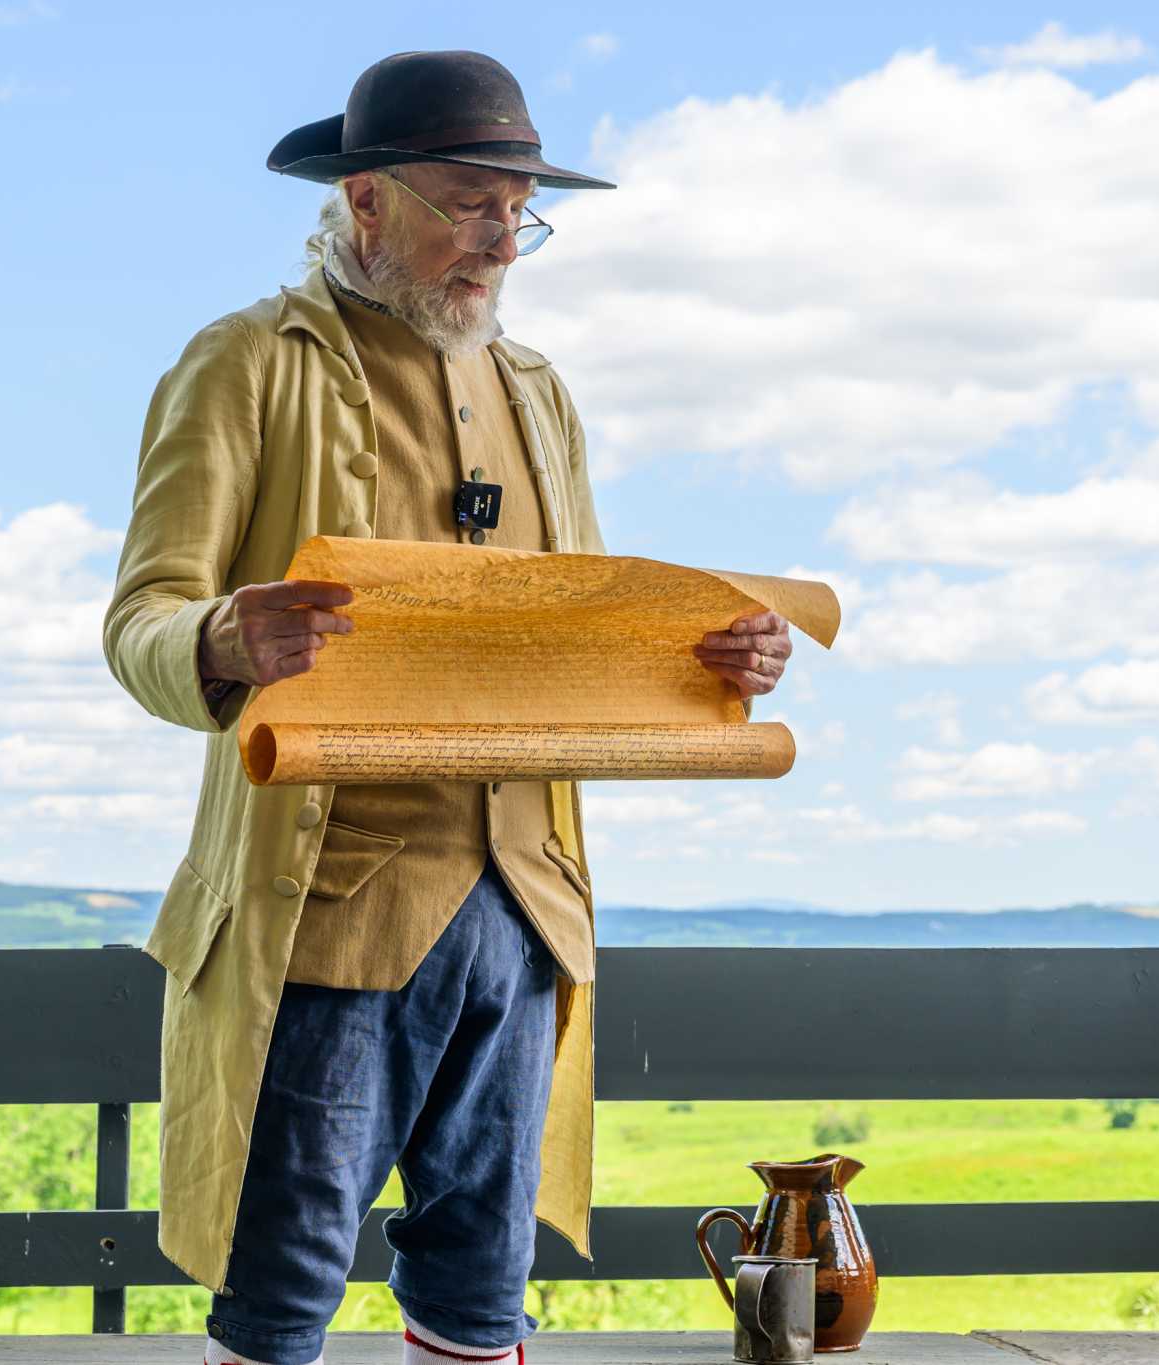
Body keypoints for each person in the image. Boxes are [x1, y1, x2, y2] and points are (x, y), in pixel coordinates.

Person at [100, 49, 793, 1365]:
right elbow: (139, 622)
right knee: (282, 1283)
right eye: (471, 202)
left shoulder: (539, 392)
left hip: (524, 917)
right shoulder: (244, 365)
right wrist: (221, 633)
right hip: (323, 920)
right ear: (365, 202)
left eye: (519, 209)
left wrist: (715, 663)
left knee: (485, 1291)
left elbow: (574, 643)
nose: (504, 241)